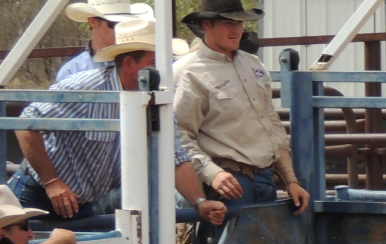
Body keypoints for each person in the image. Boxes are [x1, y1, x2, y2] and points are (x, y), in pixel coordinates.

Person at [11, 18, 228, 227]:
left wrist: (199, 202)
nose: (160, 72)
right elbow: (27, 124)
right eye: (152, 63)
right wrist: (52, 181)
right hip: (37, 196)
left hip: (81, 204)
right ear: (128, 62)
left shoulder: (155, 100)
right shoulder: (88, 88)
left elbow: (175, 157)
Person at [174, 0, 312, 216]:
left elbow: (271, 125)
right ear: (207, 25)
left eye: (239, 23)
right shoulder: (189, 72)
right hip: (228, 182)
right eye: (229, 23)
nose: (236, 29)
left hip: (264, 178)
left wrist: (291, 180)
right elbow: (179, 137)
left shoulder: (253, 64)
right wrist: (212, 173)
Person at [56, 0, 153, 81]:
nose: (122, 29)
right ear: (93, 22)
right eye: (115, 24)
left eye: (127, 24)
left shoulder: (142, 61)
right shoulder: (72, 72)